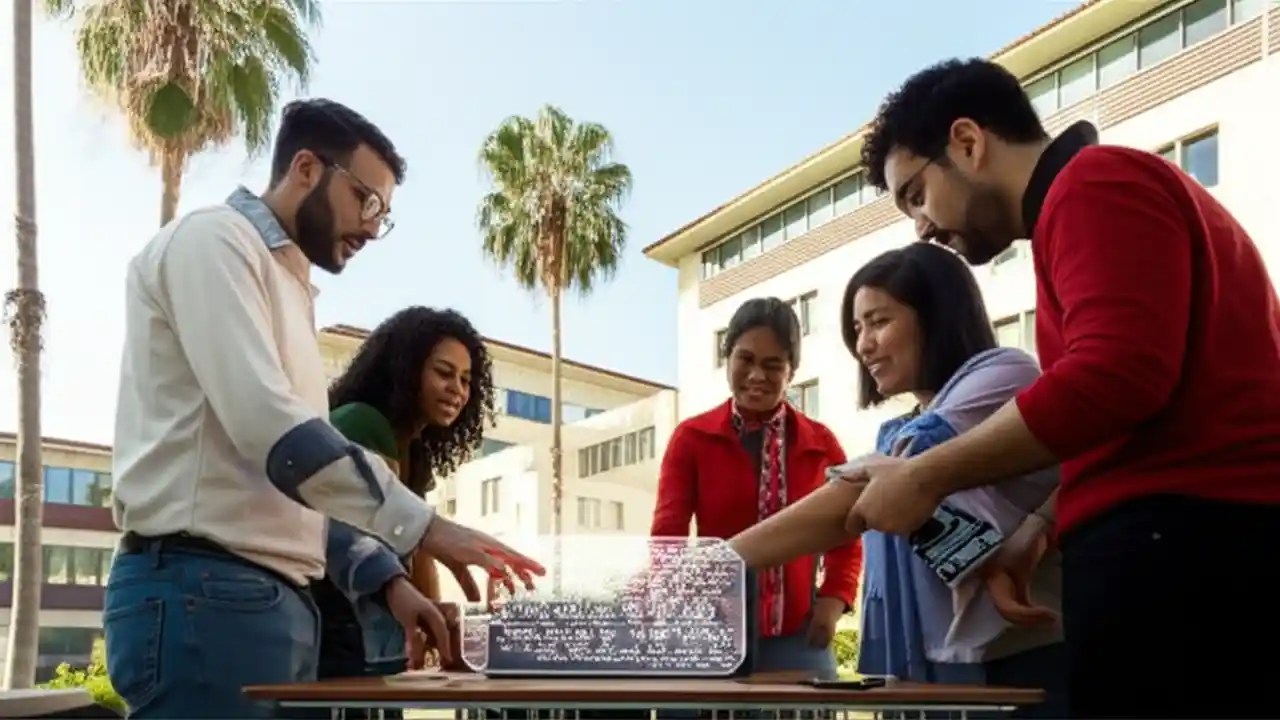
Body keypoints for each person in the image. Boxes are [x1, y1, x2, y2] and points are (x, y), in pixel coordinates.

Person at [841, 57, 1280, 719]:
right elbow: (1121, 403)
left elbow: (1116, 377)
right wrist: (1040, 529)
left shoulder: (1094, 183)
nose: (922, 227)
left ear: (967, 142)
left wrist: (927, 476)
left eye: (916, 195)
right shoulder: (1081, 205)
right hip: (1185, 549)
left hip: (1186, 552)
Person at [105, 98, 543, 719]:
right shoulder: (214, 243)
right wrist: (426, 529)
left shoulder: (287, 285)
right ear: (307, 168)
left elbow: (296, 487)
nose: (371, 226)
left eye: (383, 214)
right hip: (205, 589)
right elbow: (273, 433)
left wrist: (388, 581)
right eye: (367, 200)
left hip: (263, 599)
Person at [651, 297, 863, 679]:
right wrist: (672, 607)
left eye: (773, 365)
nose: (756, 375)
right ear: (727, 358)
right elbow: (669, 538)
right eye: (745, 360)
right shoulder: (691, 438)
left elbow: (848, 532)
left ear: (792, 371)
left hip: (799, 636)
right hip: (710, 631)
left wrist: (833, 599)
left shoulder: (821, 444)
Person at [315, 306, 496, 693]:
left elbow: (417, 545)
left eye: (466, 380)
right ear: (405, 369)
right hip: (341, 634)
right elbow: (359, 534)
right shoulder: (362, 423)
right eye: (444, 373)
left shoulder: (417, 453)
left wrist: (438, 613)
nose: (459, 390)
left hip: (374, 637)